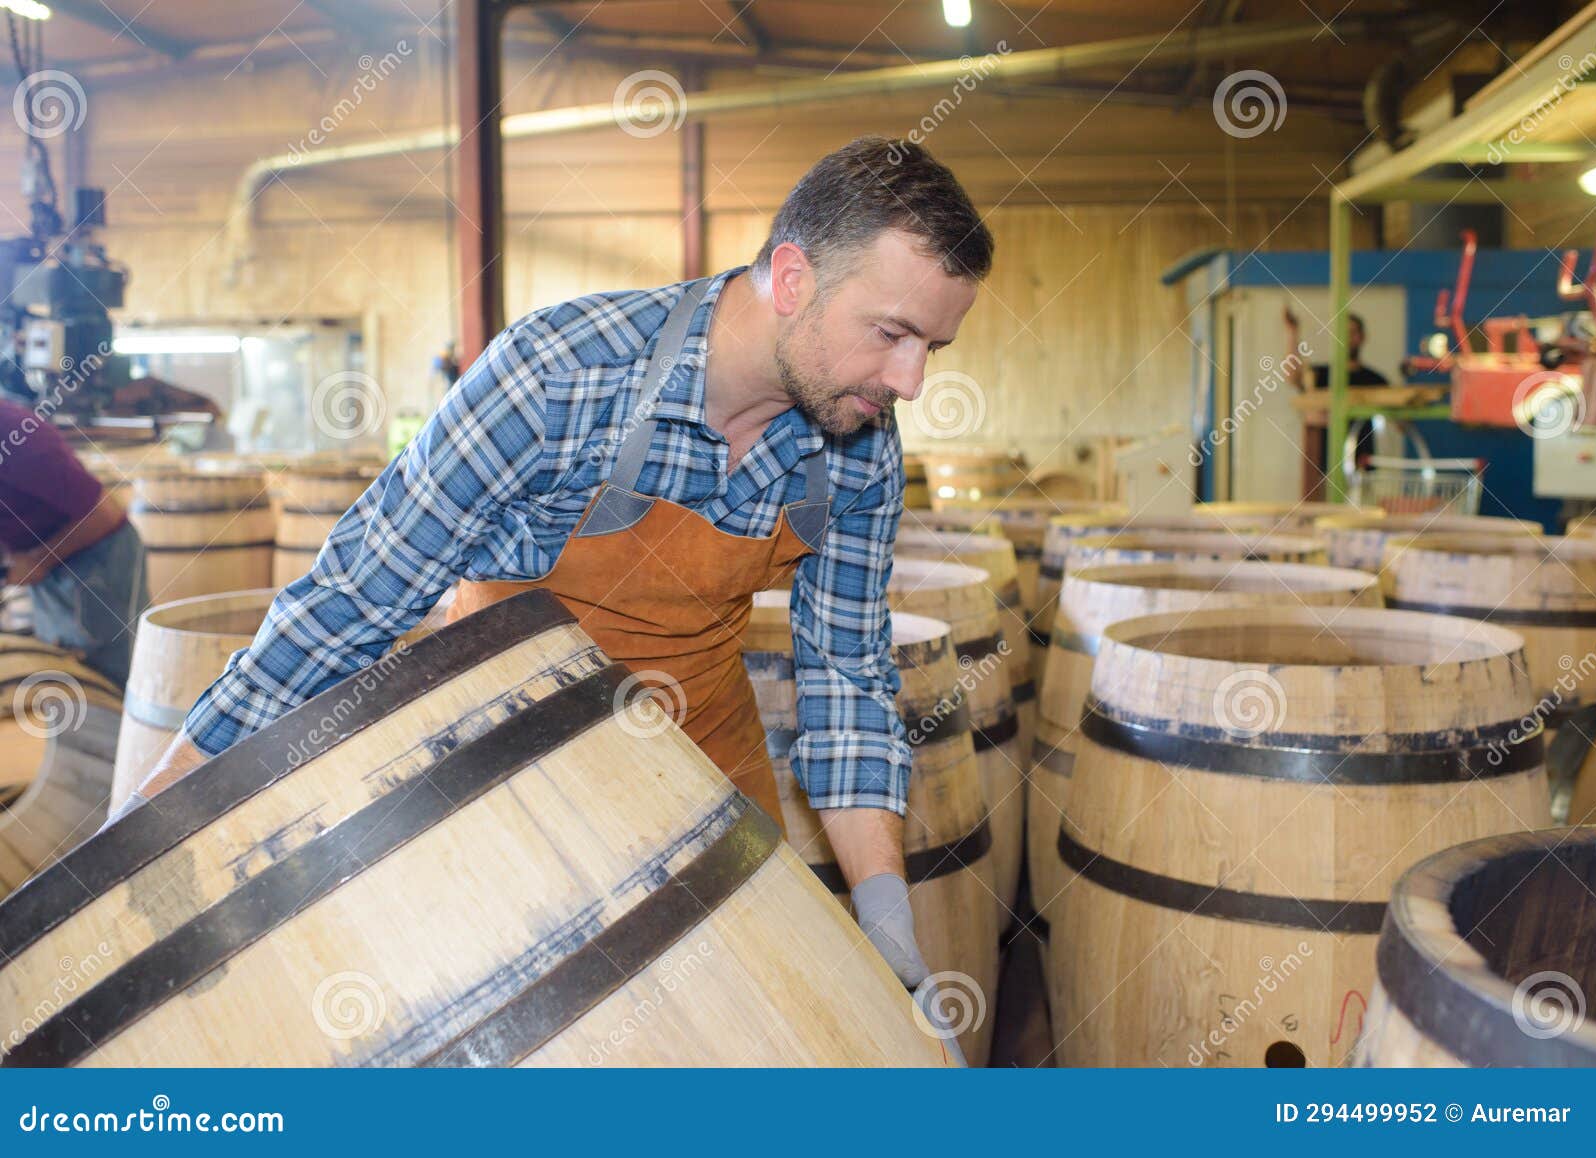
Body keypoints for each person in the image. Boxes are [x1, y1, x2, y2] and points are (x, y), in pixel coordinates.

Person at [118, 136, 995, 1010]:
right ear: (795, 279)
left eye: (934, 348)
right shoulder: (562, 375)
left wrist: (885, 917)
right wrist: (145, 827)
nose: (911, 381)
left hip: (705, 771)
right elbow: (355, 600)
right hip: (506, 774)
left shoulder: (858, 449)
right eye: (892, 334)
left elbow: (844, 673)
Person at [0, 399, 150, 686]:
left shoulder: (13, 435)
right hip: (44, 560)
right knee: (63, 674)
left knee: (113, 684)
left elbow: (105, 513)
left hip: (96, 559)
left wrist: (37, 560)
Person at [1283, 306, 1388, 468]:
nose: (1347, 338)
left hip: (1362, 469)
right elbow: (1293, 376)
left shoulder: (1376, 380)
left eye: (1352, 333)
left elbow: (1399, 422)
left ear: (1362, 337)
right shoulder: (1323, 375)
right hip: (1324, 468)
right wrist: (1292, 332)